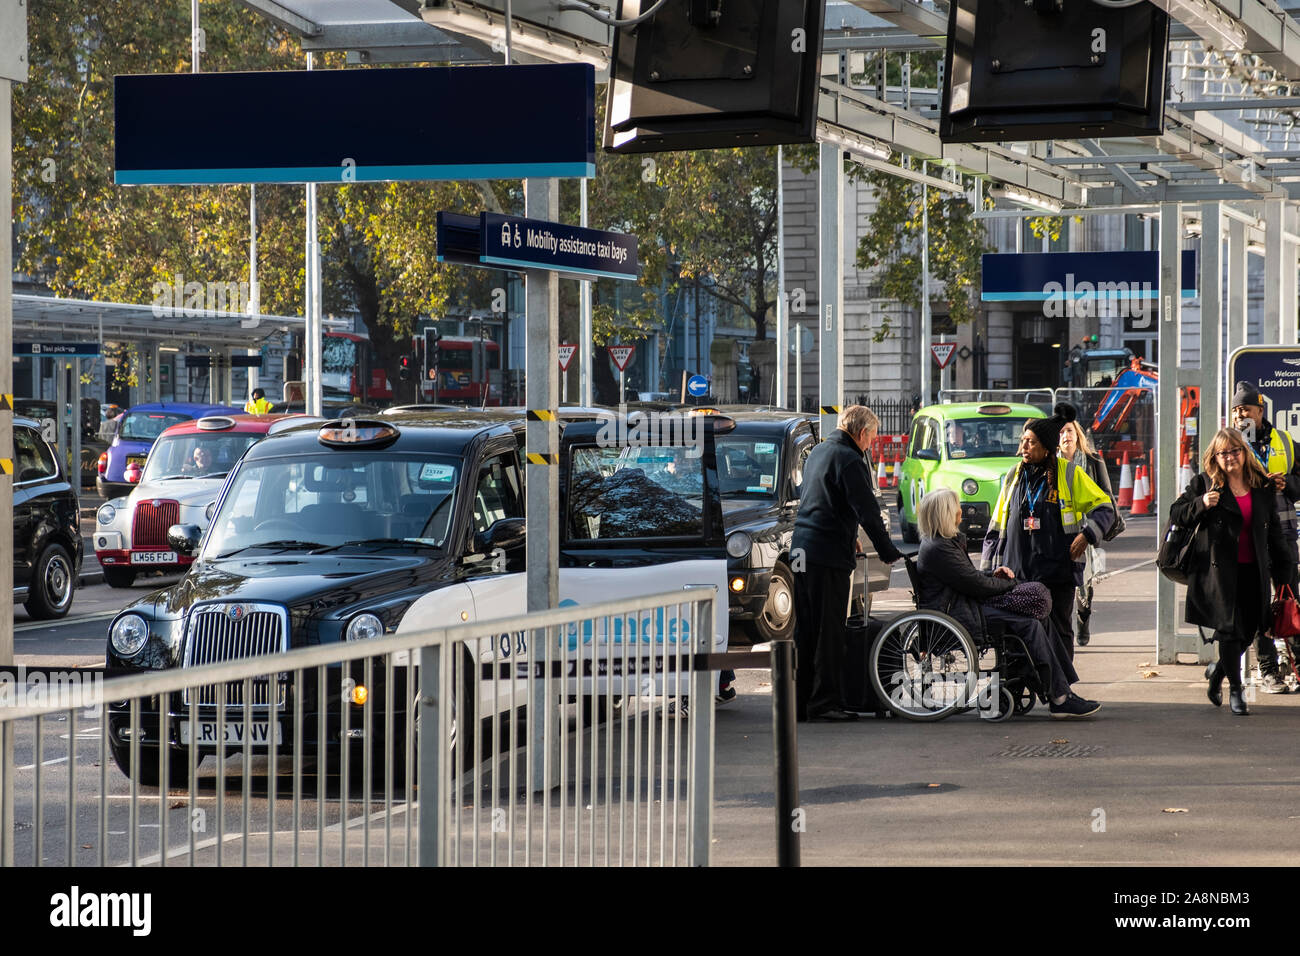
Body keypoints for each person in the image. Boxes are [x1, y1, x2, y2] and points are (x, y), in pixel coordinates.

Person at [917, 489, 1099, 717]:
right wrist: (1009, 585)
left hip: (964, 607)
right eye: (956, 508)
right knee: (1029, 623)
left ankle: (1061, 691)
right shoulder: (939, 549)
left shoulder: (942, 544)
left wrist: (994, 575)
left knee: (1038, 618)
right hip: (960, 615)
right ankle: (1059, 696)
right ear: (945, 514)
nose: (961, 512)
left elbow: (967, 578)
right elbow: (973, 584)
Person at [1170, 427, 1292, 716]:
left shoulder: (1261, 486)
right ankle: (1236, 690)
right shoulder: (1204, 484)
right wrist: (1201, 504)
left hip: (1255, 571)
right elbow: (1177, 513)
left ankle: (1217, 673)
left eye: (1234, 451)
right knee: (1229, 631)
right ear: (1215, 456)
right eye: (1222, 452)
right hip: (1218, 573)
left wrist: (1284, 572)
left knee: (1250, 631)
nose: (1229, 457)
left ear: (1243, 452)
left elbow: (1273, 531)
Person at [792, 405, 902, 722]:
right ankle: (824, 702)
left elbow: (823, 498)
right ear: (861, 432)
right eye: (872, 437)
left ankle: (800, 700)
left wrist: (848, 531)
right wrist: (886, 549)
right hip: (827, 555)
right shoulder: (851, 459)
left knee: (806, 630)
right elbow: (867, 509)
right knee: (830, 631)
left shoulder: (820, 451)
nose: (871, 443)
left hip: (803, 548)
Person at [982, 404, 1115, 665]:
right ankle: (1021, 682)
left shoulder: (1069, 473)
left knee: (1059, 631)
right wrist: (987, 572)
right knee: (1018, 632)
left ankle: (1062, 689)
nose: (1023, 448)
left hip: (1057, 574)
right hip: (1018, 573)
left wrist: (1088, 534)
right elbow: (996, 527)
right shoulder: (1013, 475)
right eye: (1023, 441)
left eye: (1030, 442)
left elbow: (1105, 508)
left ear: (1046, 447)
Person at [1230, 381, 1300, 694]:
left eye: (1245, 408)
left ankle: (1298, 665)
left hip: (1283, 535)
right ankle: (1269, 670)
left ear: (1260, 410)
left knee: (1290, 600)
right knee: (1257, 605)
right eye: (1235, 410)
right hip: (1249, 537)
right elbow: (1207, 478)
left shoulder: (1285, 441)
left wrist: (1288, 484)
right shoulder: (1227, 444)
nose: (1240, 414)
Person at [1058, 415, 1118, 648]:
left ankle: (1083, 619)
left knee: (1084, 583)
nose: (1066, 436)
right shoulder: (1050, 464)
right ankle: (1063, 631)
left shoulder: (1092, 461)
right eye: (1061, 432)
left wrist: (1098, 528)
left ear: (1077, 436)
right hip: (1060, 533)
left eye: (1070, 431)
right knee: (1061, 584)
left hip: (1086, 532)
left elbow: (1106, 496)